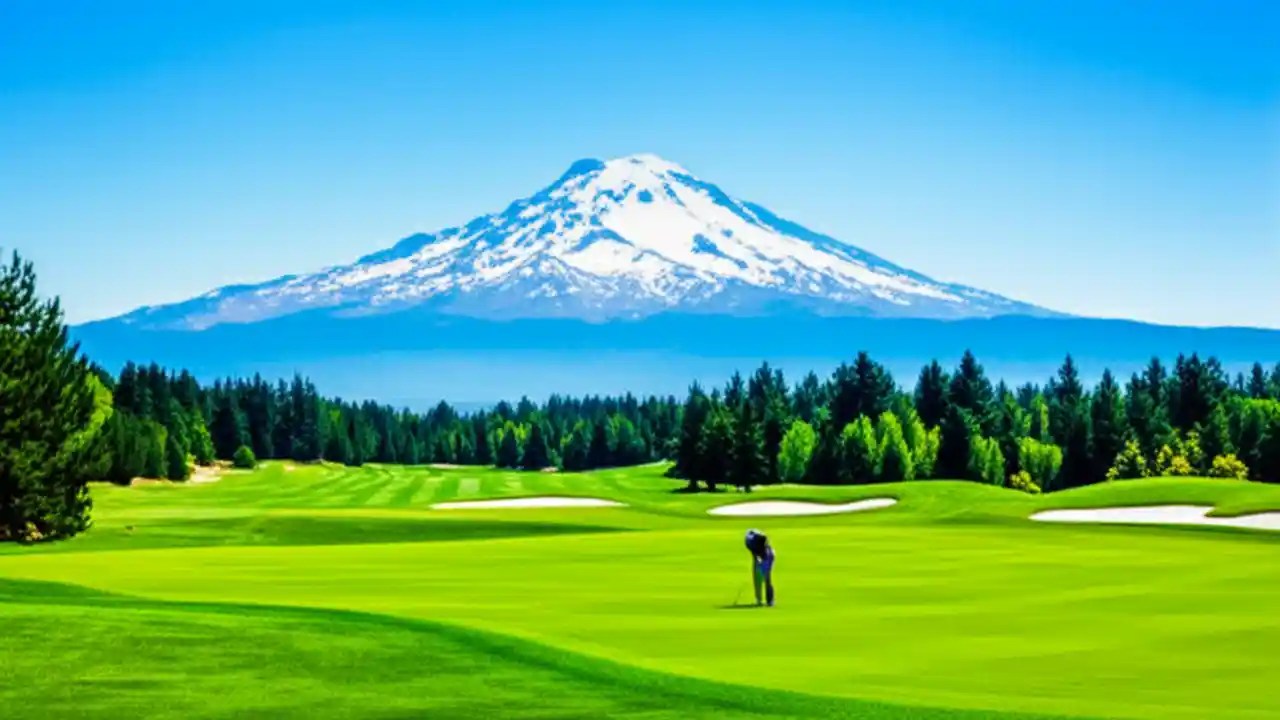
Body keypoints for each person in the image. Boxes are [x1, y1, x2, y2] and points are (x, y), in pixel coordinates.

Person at [744, 529, 775, 607]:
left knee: (767, 578)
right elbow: (754, 554)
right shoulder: (751, 543)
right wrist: (757, 560)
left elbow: (766, 553)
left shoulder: (765, 546)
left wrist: (761, 562)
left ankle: (770, 601)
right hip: (760, 555)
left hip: (768, 557)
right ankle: (759, 600)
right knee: (756, 576)